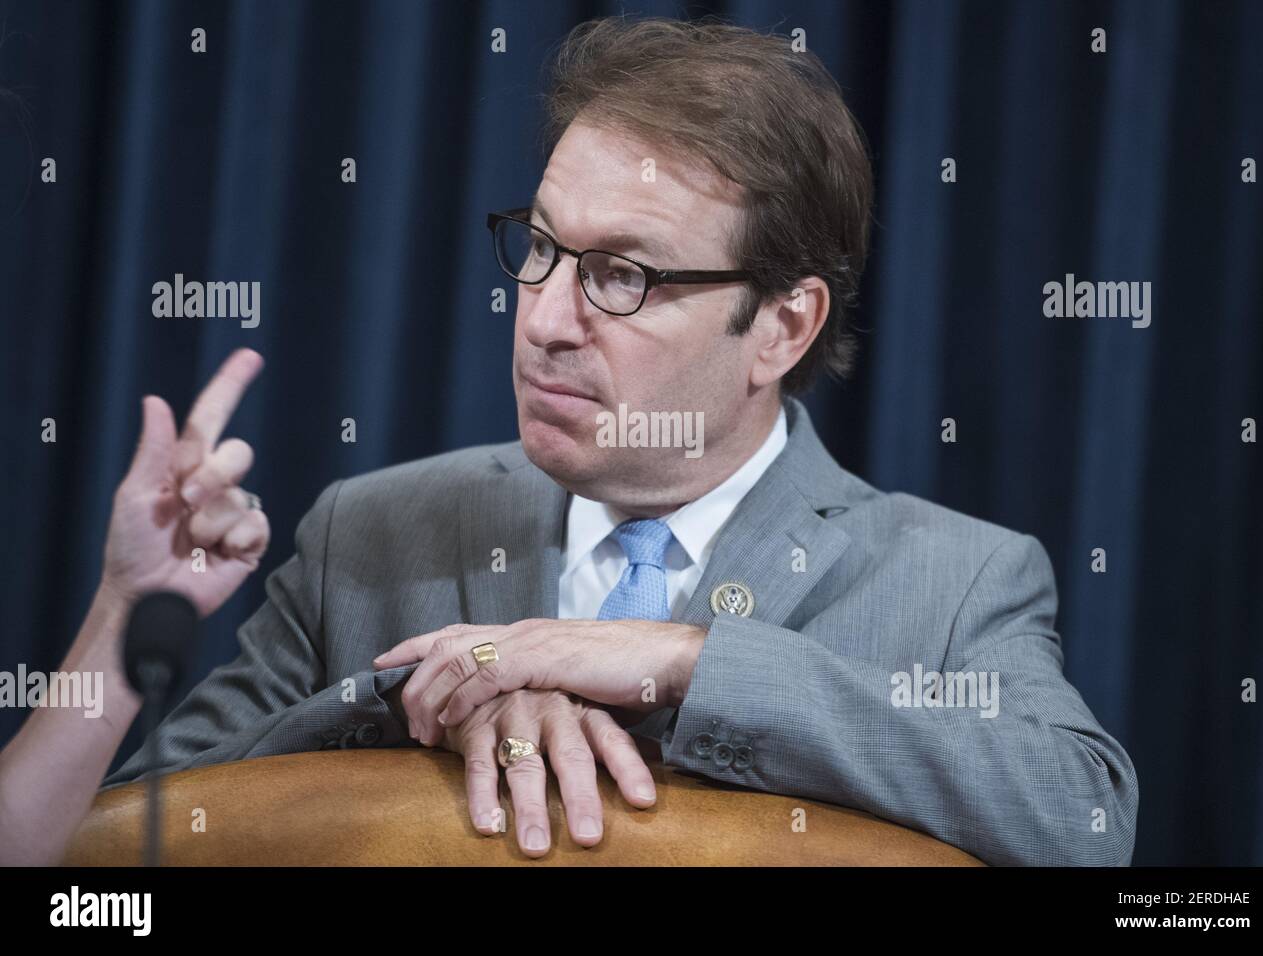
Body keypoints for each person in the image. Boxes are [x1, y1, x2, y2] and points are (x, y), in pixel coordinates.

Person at [8, 16, 1137, 866]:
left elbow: (1084, 814)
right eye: (539, 249)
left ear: (781, 326)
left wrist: (686, 663)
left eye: (622, 276)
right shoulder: (377, 531)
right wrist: (127, 617)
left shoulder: (946, 580)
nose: (545, 319)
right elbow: (93, 867)